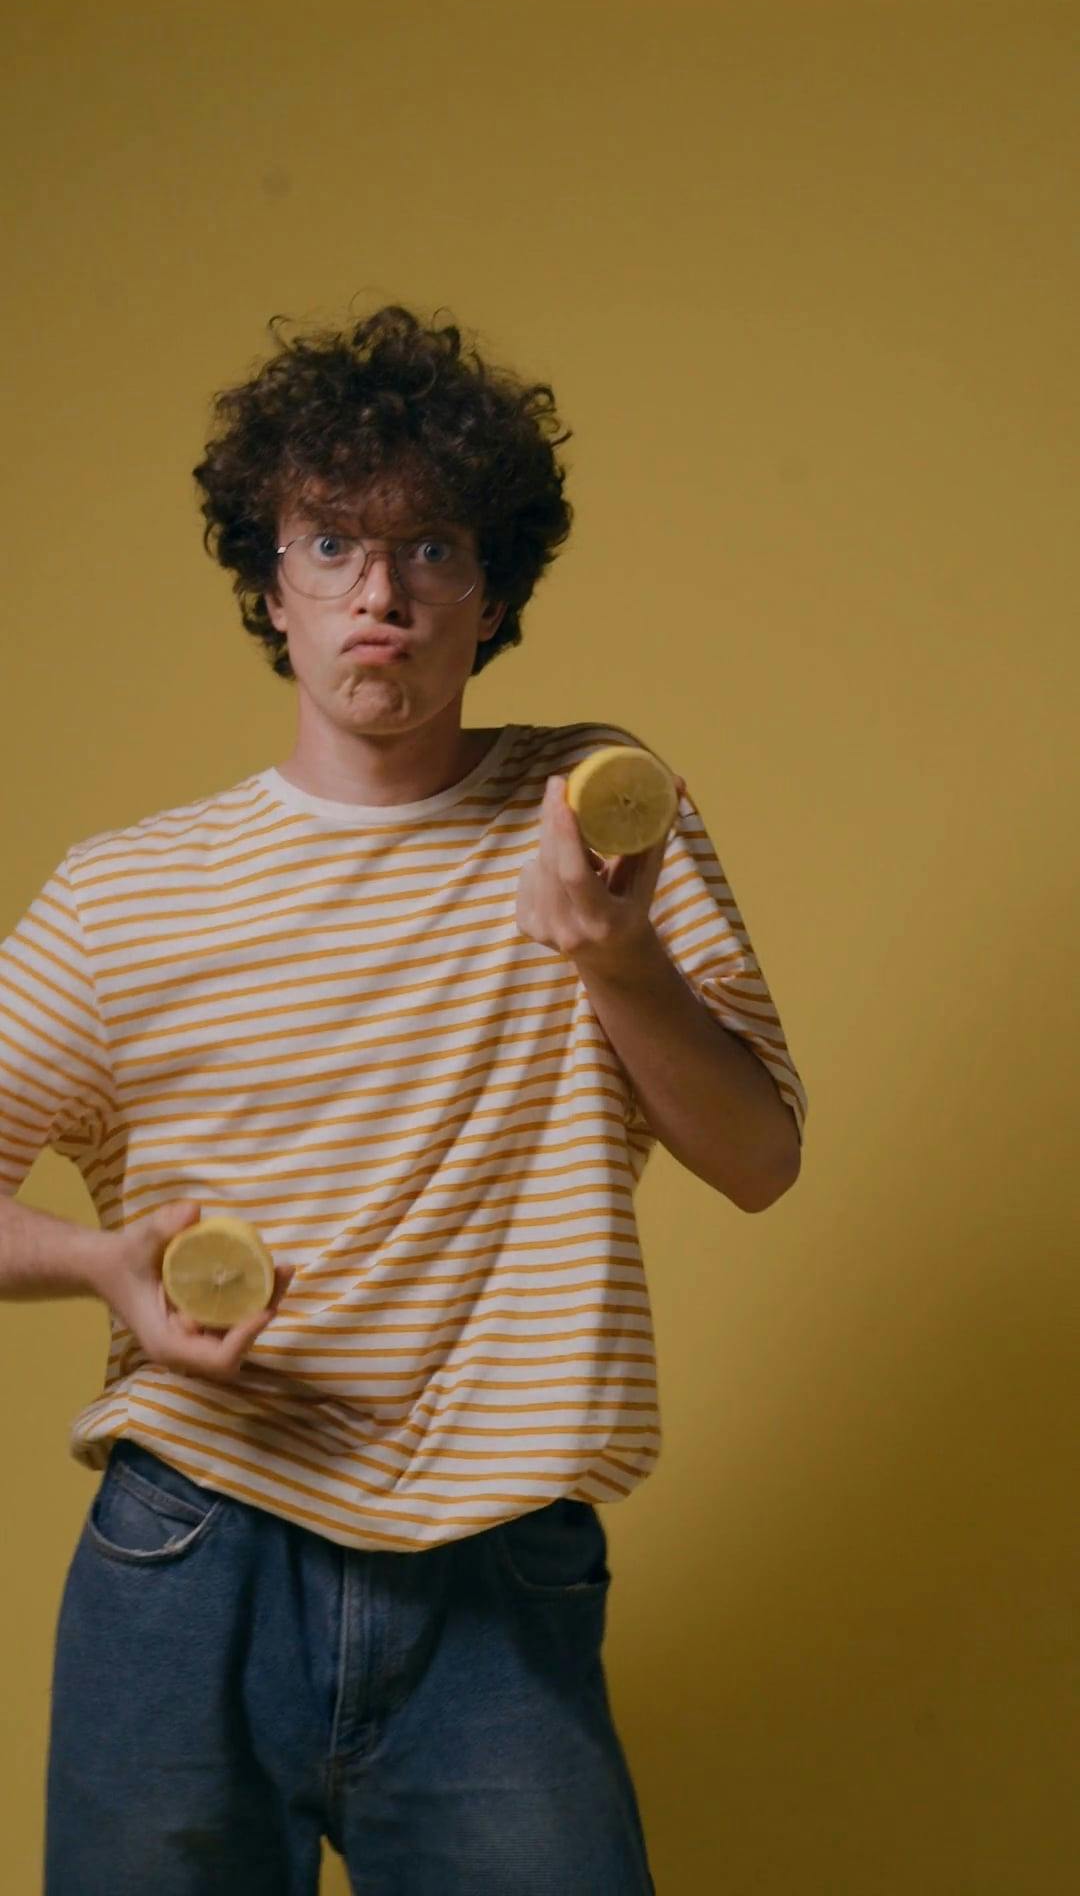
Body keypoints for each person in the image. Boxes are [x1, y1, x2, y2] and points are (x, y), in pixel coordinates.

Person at [0, 304, 807, 1894]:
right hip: (189, 1552)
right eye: (327, 544)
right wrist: (100, 1268)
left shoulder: (597, 816)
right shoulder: (122, 898)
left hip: (496, 1587)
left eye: (429, 547)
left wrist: (618, 960)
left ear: (490, 591)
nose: (379, 592)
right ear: (269, 585)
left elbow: (764, 1160)